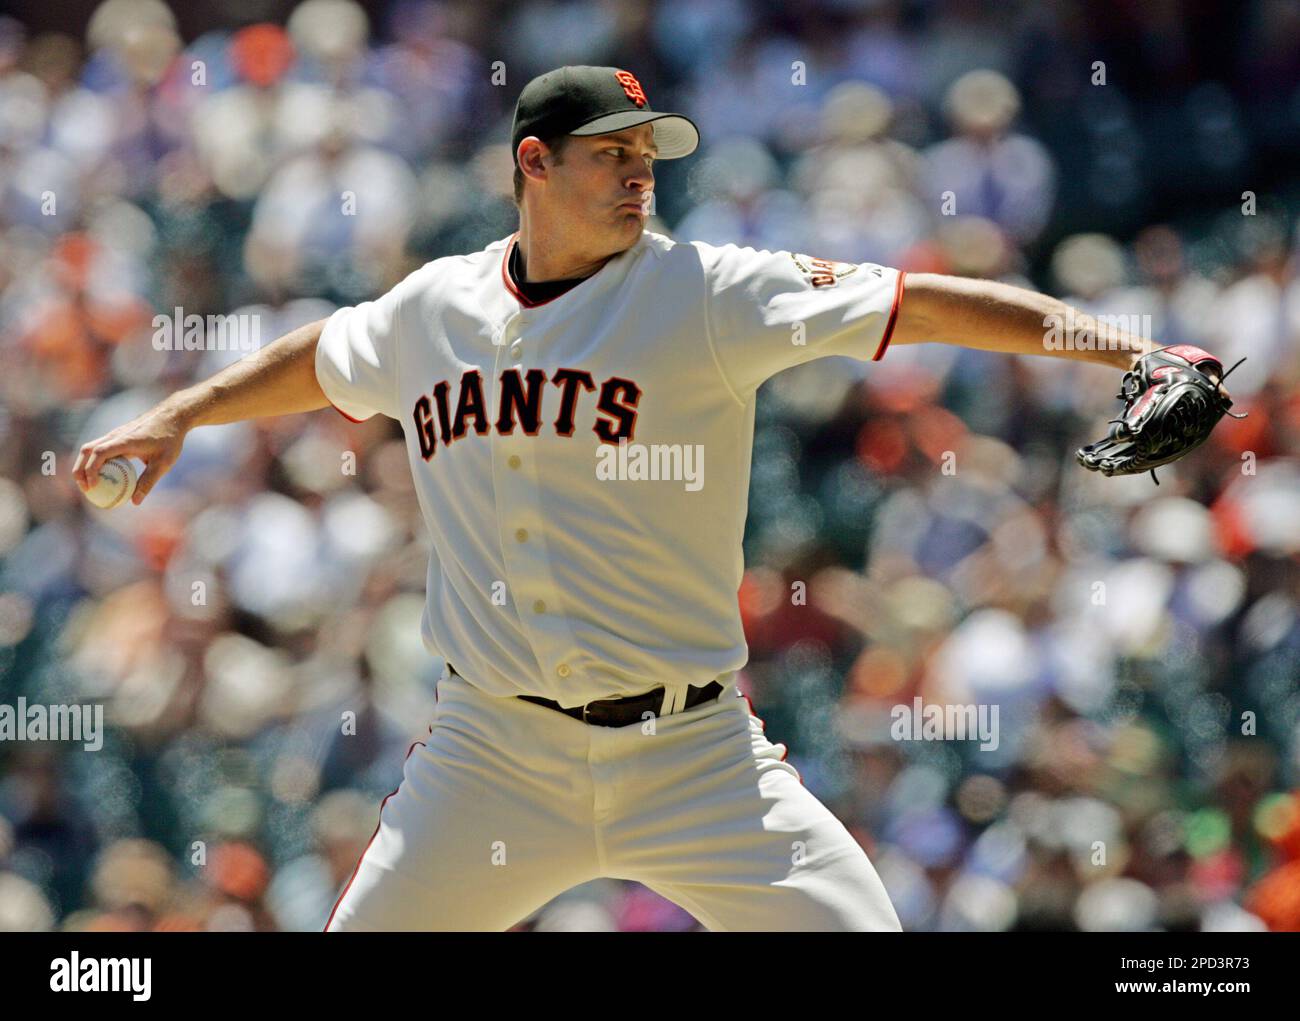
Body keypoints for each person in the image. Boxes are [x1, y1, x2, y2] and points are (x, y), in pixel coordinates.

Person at [75, 66, 1192, 932]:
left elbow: (925, 305)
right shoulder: (432, 308)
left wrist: (1122, 345)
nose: (637, 175)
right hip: (490, 755)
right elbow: (328, 355)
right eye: (609, 155)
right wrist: (178, 415)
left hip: (693, 755)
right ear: (533, 164)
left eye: (646, 156)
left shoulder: (708, 289)